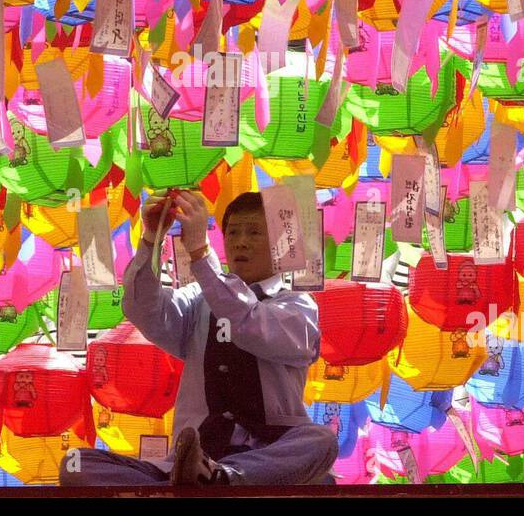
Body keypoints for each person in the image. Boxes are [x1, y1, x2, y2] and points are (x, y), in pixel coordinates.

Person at [59, 190, 338, 487]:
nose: (240, 241)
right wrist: (152, 238)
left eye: (255, 232)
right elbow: (142, 308)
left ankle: (219, 478)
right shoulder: (200, 300)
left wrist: (201, 256)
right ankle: (189, 482)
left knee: (320, 440)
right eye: (233, 232)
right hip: (190, 459)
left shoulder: (297, 306)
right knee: (75, 465)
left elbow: (248, 322)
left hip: (266, 456)